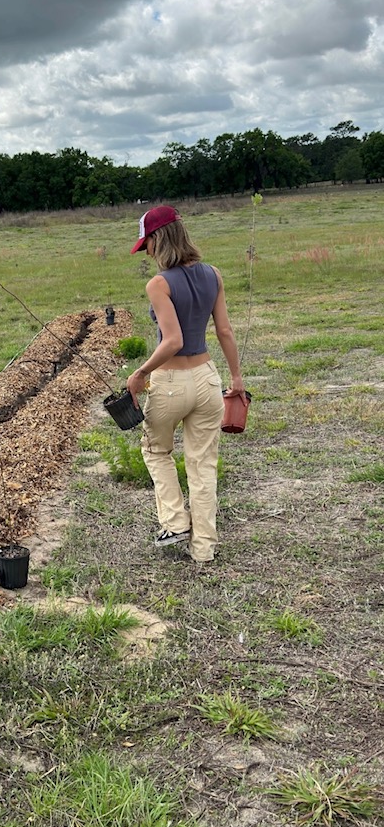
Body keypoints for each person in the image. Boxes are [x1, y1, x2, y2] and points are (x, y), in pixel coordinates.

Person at [125, 205, 246, 564]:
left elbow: (173, 340)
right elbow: (224, 330)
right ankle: (204, 548)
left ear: (158, 239)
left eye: (147, 243)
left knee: (155, 450)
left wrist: (140, 373)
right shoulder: (214, 274)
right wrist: (236, 378)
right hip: (207, 379)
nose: (146, 251)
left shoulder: (159, 284)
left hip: (171, 382)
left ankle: (176, 521)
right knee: (203, 464)